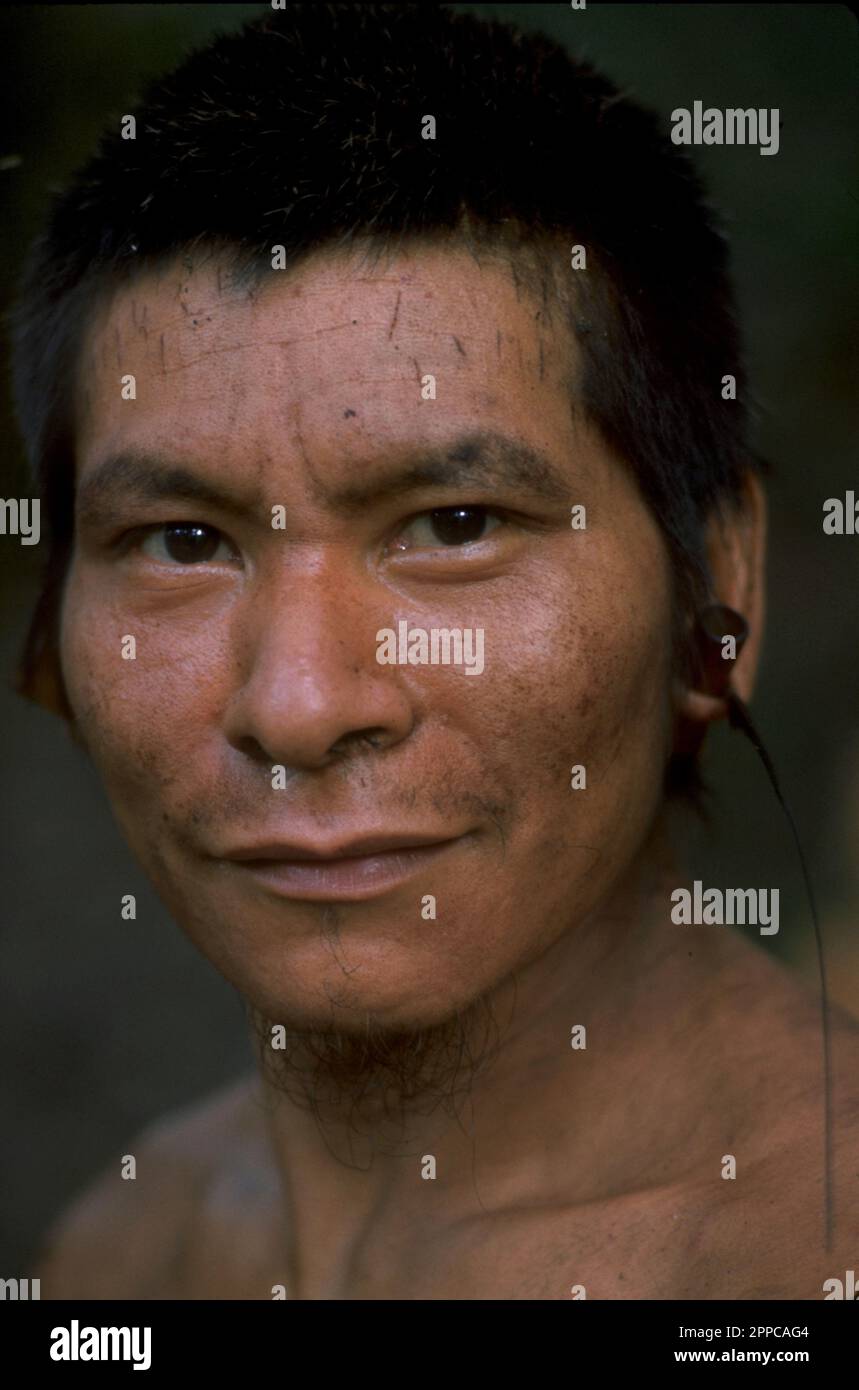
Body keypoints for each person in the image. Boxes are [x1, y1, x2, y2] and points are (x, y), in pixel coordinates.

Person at [11, 3, 858, 1299]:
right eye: (182, 541)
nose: (297, 704)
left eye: (455, 525)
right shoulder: (129, 1252)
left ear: (717, 587)